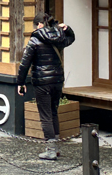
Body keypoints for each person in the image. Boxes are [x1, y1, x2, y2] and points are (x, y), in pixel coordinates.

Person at [16, 12, 76, 161]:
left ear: (39, 25)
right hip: (57, 81)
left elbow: (25, 64)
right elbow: (71, 38)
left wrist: (20, 82)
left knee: (45, 116)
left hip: (42, 82)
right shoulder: (59, 37)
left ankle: (50, 150)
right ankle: (55, 147)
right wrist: (67, 28)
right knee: (53, 112)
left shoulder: (35, 40)